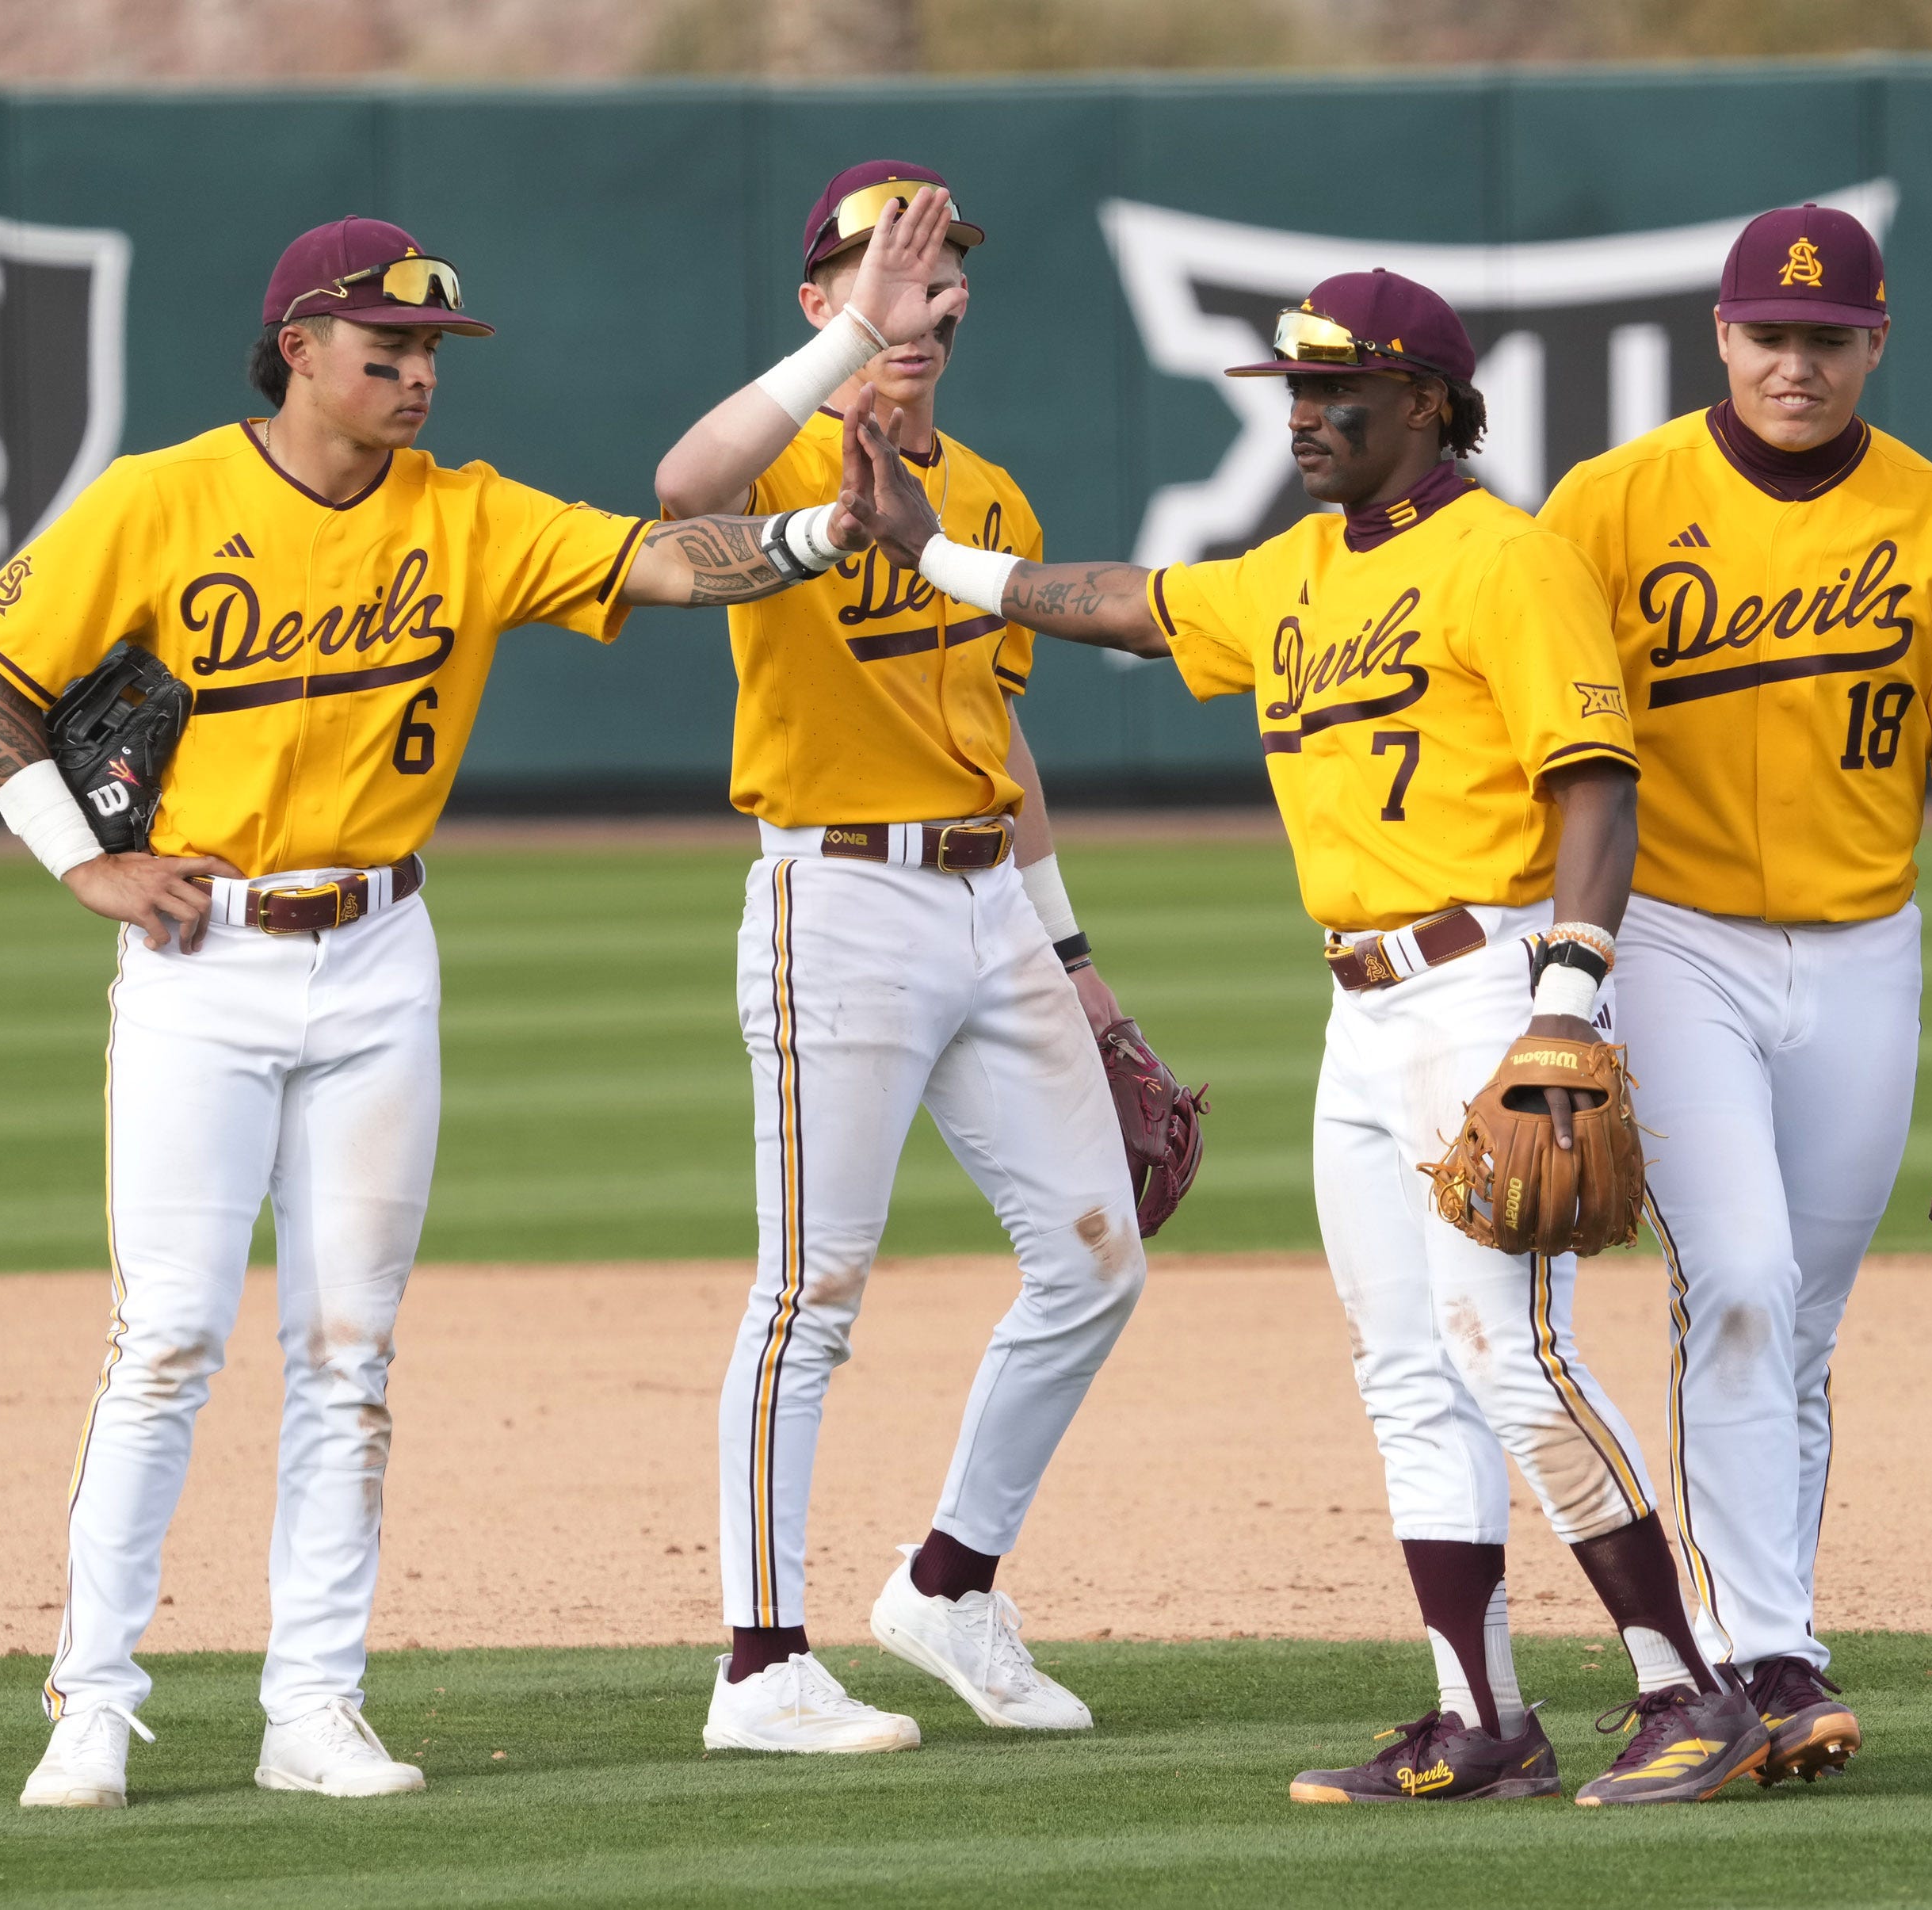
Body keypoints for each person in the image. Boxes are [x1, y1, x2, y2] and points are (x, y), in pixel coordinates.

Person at [0, 214, 882, 1808]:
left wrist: (808, 542)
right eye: (386, 350)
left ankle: (315, 1700)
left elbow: (651, 558)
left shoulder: (464, 514)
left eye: (431, 351)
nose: (416, 376)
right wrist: (79, 862)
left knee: (347, 1349)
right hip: (203, 960)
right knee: (166, 1335)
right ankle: (90, 1698)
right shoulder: (162, 497)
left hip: (379, 955)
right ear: (295, 348)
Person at [838, 266, 1770, 1806]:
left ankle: (1691, 1688)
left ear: (1428, 402)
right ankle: (1479, 1716)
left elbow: (1595, 782)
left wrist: (1563, 999)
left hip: (1486, 983)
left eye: (1334, 391)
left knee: (1511, 1353)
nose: (1302, 417)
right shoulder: (1292, 573)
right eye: (1290, 390)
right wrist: (922, 551)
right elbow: (1127, 608)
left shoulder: (1505, 559)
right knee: (1406, 1369)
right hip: (1357, 1014)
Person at [1537, 204, 1932, 1783]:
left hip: (1860, 947)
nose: (1793, 361)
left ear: (1873, 343)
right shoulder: (1609, 505)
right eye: (1767, 333)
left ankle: (1772, 1639)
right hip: (1673, 941)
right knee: (1746, 1279)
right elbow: (1549, 738)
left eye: (1824, 338)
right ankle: (1761, 1653)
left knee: (1805, 1324)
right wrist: (1547, 962)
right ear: (1719, 334)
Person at [653, 162, 1148, 1755]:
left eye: (934, 273)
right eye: (875, 272)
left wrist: (1073, 955)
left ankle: (946, 1580)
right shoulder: (784, 446)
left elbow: (1001, 724)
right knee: (812, 1287)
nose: (916, 298)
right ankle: (757, 1662)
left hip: (986, 896)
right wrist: (838, 345)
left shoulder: (989, 495)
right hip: (838, 896)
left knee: (1094, 1253)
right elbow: (677, 484)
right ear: (818, 300)